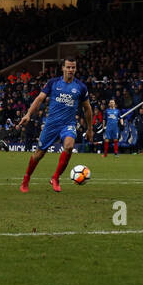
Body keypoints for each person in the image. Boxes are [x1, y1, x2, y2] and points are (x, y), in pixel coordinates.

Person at [17, 58, 91, 193]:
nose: (71, 70)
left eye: (73, 67)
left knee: (69, 146)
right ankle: (26, 178)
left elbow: (87, 108)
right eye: (68, 67)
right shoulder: (53, 83)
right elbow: (39, 99)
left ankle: (56, 177)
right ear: (63, 68)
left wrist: (90, 128)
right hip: (51, 124)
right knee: (39, 154)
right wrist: (28, 114)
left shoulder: (80, 87)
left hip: (68, 124)